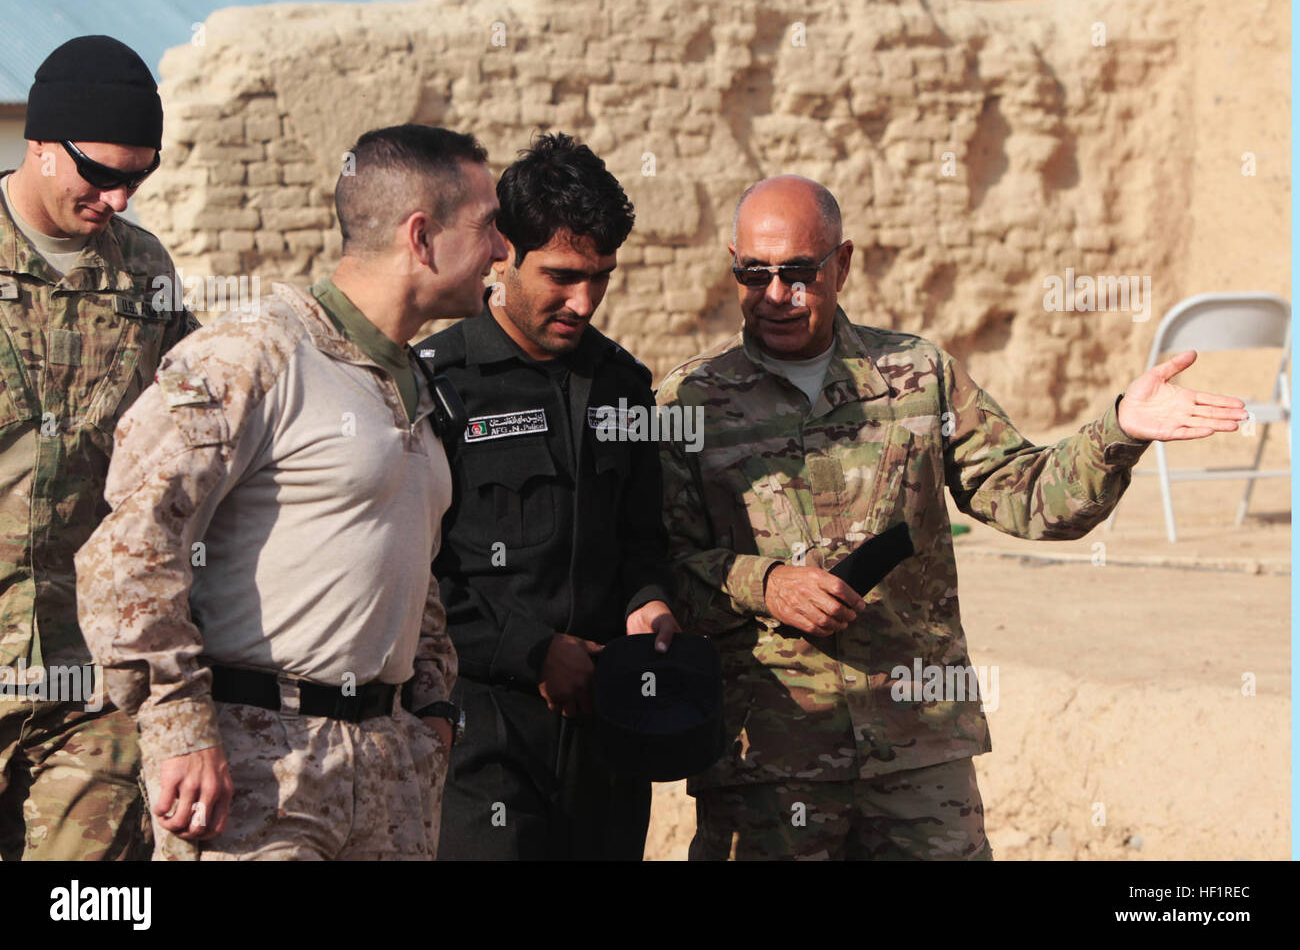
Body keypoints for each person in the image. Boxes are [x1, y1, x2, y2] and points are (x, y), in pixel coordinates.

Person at [656, 175, 1248, 861]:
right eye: (752, 273)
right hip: (769, 757)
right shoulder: (687, 405)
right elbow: (657, 572)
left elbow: (1028, 497)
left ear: (842, 265)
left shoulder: (919, 377)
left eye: (798, 272)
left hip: (919, 750)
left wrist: (1118, 428)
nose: (775, 294)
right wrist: (767, 584)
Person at [75, 123, 506, 859]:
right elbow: (128, 549)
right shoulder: (255, 354)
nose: (503, 251)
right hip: (258, 775)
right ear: (422, 237)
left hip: (391, 775)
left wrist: (430, 711)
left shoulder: (421, 386)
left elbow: (411, 570)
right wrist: (179, 726)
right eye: (489, 226)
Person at [417, 133, 680, 860]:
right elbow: (413, 575)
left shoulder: (623, 384)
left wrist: (648, 601)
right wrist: (533, 654)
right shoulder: (438, 385)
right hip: (482, 734)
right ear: (504, 249)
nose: (584, 301)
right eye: (563, 276)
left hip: (608, 735)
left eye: (601, 278)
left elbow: (642, 542)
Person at [0, 35, 198, 861]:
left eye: (139, 177)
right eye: (102, 173)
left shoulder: (146, 271)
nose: (119, 198)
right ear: (40, 146)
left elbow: (190, 438)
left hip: (83, 681)